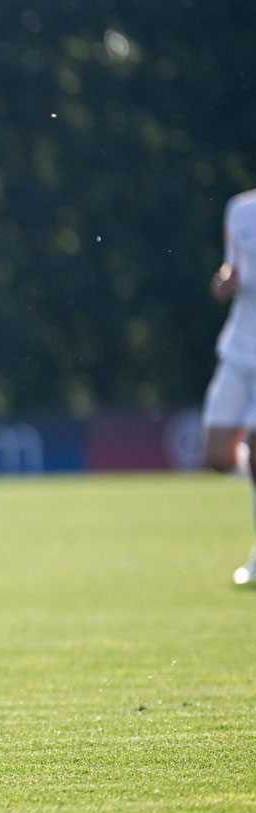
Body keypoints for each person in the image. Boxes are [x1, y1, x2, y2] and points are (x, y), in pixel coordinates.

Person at [200, 189, 256, 585]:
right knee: (215, 454)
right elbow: (230, 267)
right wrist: (225, 281)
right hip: (238, 350)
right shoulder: (239, 209)